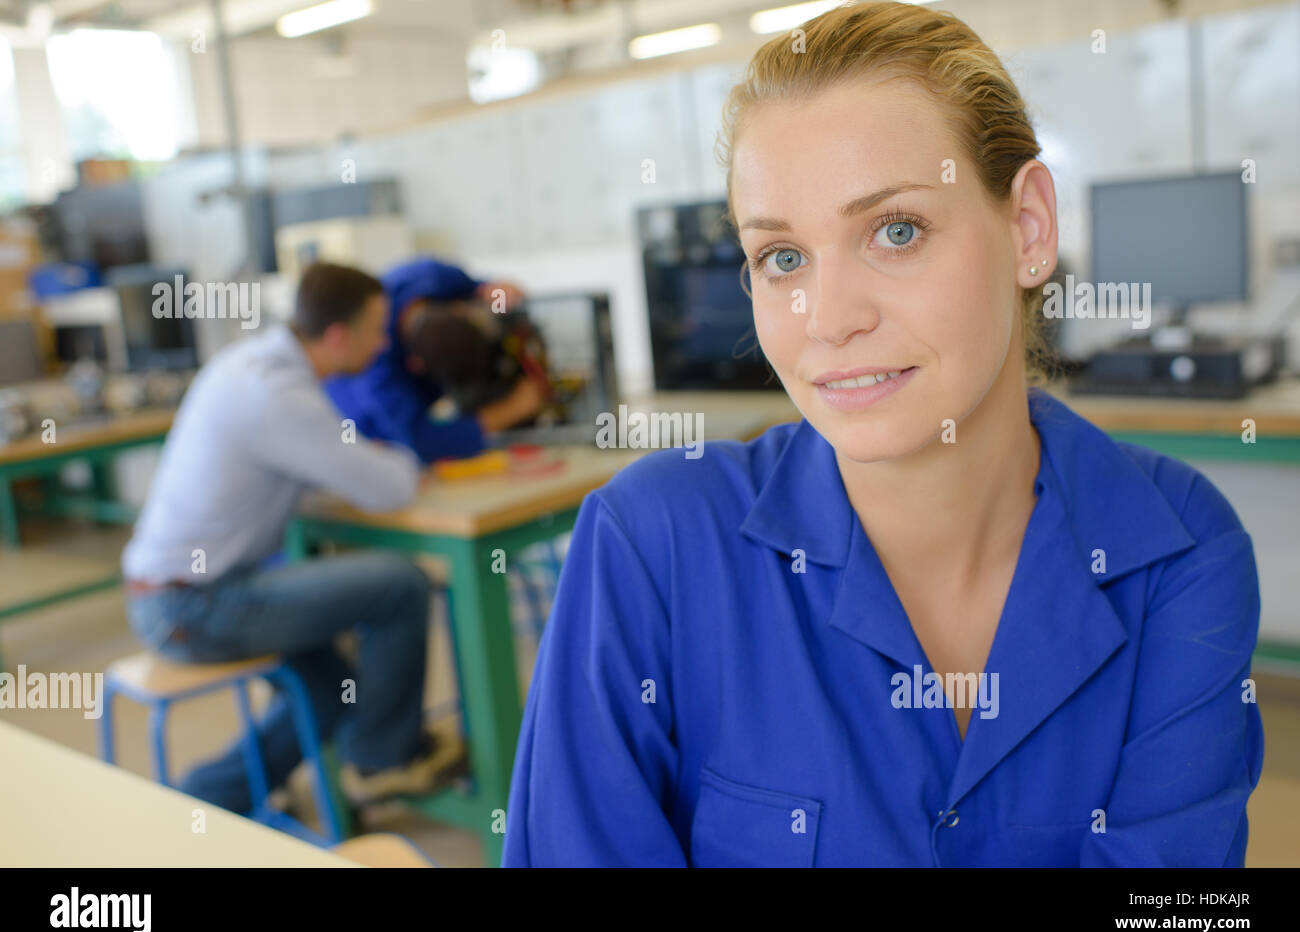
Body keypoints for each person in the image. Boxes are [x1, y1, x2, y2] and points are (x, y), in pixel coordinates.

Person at [503, 0, 1264, 866]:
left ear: (1029, 228)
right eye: (781, 257)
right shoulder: (654, 545)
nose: (828, 320)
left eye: (895, 232)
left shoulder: (1179, 550)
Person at [122, 261, 462, 816]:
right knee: (399, 584)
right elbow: (386, 488)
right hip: (195, 604)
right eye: (377, 330)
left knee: (328, 696)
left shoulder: (253, 365)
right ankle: (383, 761)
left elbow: (332, 464)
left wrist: (362, 462)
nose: (382, 345)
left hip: (178, 592)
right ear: (336, 335)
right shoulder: (276, 393)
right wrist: (397, 462)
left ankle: (199, 804)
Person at [324, 256, 545, 462]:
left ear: (459, 309)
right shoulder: (375, 369)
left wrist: (499, 293)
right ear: (415, 365)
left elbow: (483, 288)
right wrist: (512, 410)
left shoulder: (433, 277)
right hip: (361, 431)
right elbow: (421, 442)